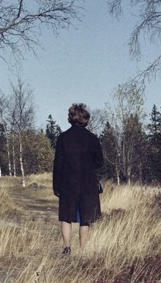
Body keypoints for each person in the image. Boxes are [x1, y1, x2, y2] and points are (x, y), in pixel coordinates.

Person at [52, 102, 103, 255]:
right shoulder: (92, 138)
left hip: (68, 182)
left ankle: (67, 246)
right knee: (85, 218)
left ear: (71, 118)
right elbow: (99, 162)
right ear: (85, 119)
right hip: (87, 183)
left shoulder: (63, 138)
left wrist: (56, 186)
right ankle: (82, 251)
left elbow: (58, 165)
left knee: (66, 216)